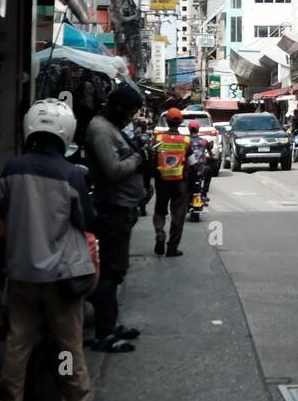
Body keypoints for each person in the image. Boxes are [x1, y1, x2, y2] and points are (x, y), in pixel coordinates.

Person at [0, 98, 96, 401]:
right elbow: (87, 220)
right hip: (62, 276)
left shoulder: (11, 169)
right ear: (66, 133)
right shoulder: (70, 174)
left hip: (21, 272)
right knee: (68, 344)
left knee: (17, 344)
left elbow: (1, 212)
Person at [84, 82, 146, 353]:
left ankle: (110, 323)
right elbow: (112, 170)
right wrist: (138, 159)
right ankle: (103, 333)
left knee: (116, 270)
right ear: (119, 107)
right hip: (112, 208)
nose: (131, 117)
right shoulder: (100, 130)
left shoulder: (111, 129)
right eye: (130, 111)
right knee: (110, 271)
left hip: (122, 207)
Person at [151, 108, 191, 257]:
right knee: (178, 215)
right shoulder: (186, 141)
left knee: (160, 211)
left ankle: (160, 233)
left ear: (166, 121)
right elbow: (192, 162)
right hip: (180, 182)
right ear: (180, 122)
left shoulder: (158, 139)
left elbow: (152, 157)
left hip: (162, 180)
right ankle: (172, 248)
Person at [187, 120, 212, 205]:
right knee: (209, 171)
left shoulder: (185, 141)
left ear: (189, 130)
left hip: (188, 170)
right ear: (198, 130)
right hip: (201, 169)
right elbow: (211, 152)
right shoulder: (203, 141)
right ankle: (204, 193)